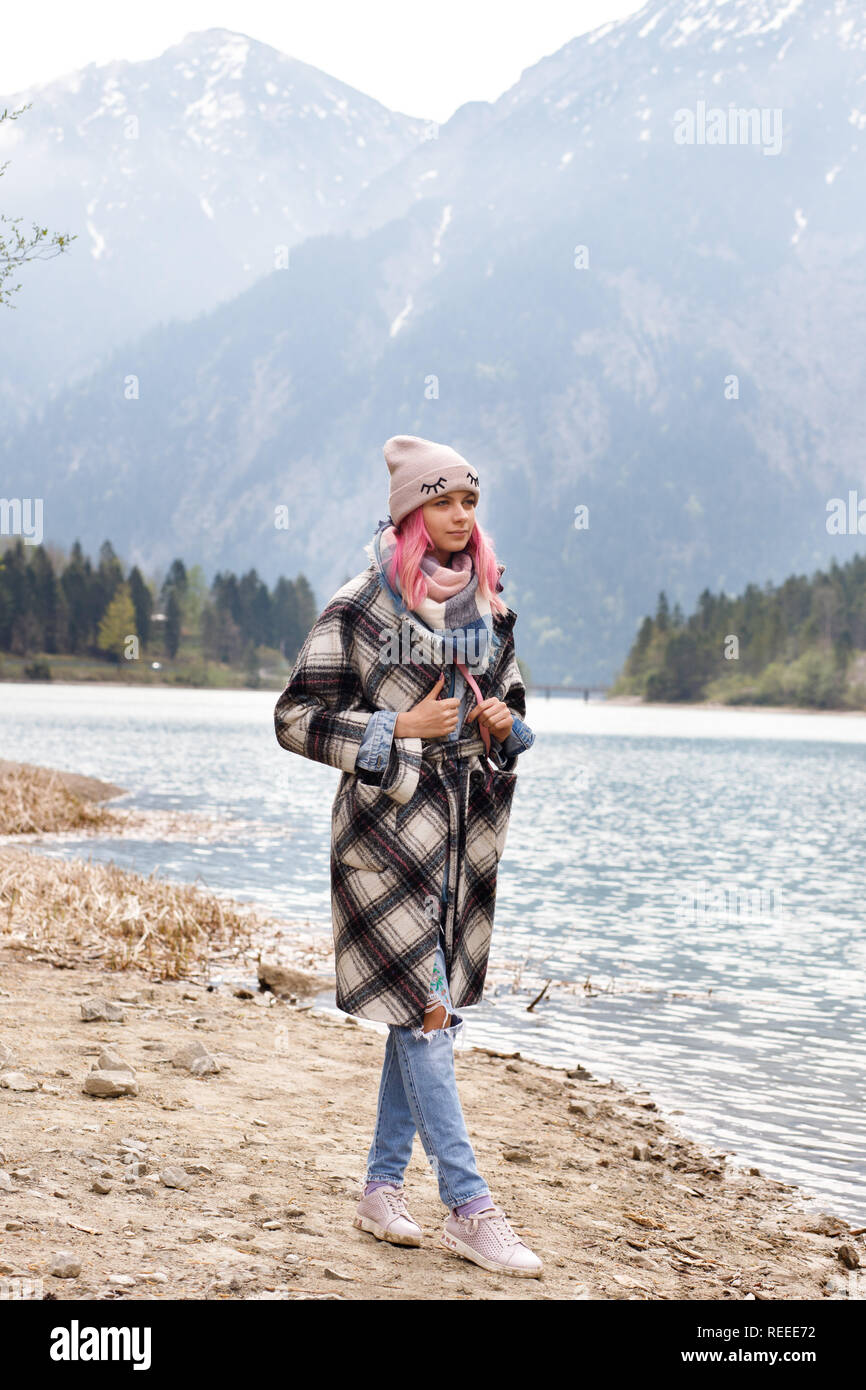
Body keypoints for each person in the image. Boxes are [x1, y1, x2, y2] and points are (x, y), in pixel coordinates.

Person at [274, 433, 542, 1278]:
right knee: (428, 1013)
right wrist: (394, 729)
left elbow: (518, 715)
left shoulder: (491, 606)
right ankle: (469, 1205)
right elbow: (293, 717)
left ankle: (381, 1188)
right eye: (445, 501)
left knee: (416, 1014)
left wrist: (504, 724)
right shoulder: (359, 607)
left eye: (471, 501)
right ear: (410, 514)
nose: (461, 515)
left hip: (463, 844)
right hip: (385, 845)